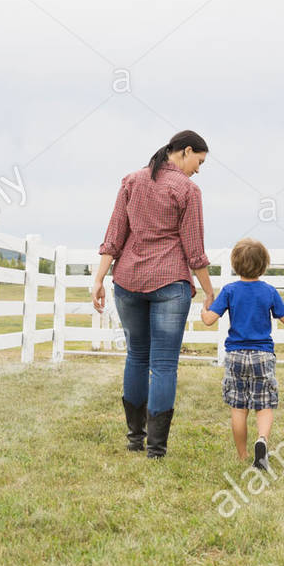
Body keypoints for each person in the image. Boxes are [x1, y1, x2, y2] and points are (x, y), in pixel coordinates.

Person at [91, 130, 214, 458]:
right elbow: (194, 250)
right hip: (169, 283)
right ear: (185, 151)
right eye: (199, 161)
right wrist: (209, 291)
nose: (198, 169)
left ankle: (135, 439)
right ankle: (156, 449)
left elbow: (113, 237)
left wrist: (99, 280)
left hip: (128, 281)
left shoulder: (131, 181)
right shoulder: (188, 190)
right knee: (163, 365)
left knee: (136, 356)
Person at [200, 238, 284, 471]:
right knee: (264, 404)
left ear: (236, 264)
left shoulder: (229, 291)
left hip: (235, 355)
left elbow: (209, 320)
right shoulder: (268, 291)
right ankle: (262, 440)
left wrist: (203, 309)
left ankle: (242, 455)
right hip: (263, 355)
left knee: (239, 407)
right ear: (264, 265)